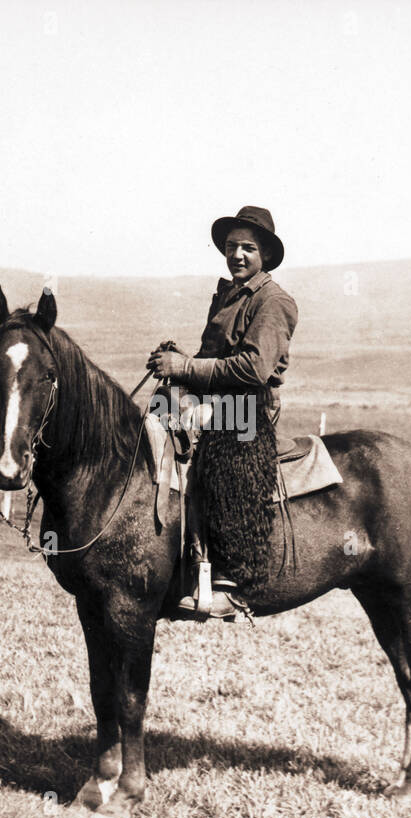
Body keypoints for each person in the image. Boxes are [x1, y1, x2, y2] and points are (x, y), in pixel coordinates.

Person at [146, 206, 298, 614]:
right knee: (158, 412)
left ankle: (231, 576)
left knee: (226, 451)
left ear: (264, 253)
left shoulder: (274, 301)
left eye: (248, 247)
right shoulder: (229, 295)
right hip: (218, 400)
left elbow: (252, 368)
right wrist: (177, 362)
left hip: (249, 407)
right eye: (232, 247)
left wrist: (186, 367)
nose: (238, 255)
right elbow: (210, 359)